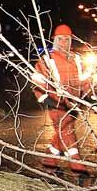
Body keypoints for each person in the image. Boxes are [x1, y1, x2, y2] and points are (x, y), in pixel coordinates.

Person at [30, 24, 93, 173]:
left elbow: (85, 79)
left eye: (67, 39)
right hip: (56, 103)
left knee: (62, 132)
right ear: (55, 40)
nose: (64, 42)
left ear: (71, 40)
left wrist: (90, 96)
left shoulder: (77, 59)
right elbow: (37, 80)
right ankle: (77, 166)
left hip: (74, 103)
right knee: (66, 132)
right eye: (61, 39)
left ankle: (50, 162)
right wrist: (44, 98)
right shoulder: (47, 59)